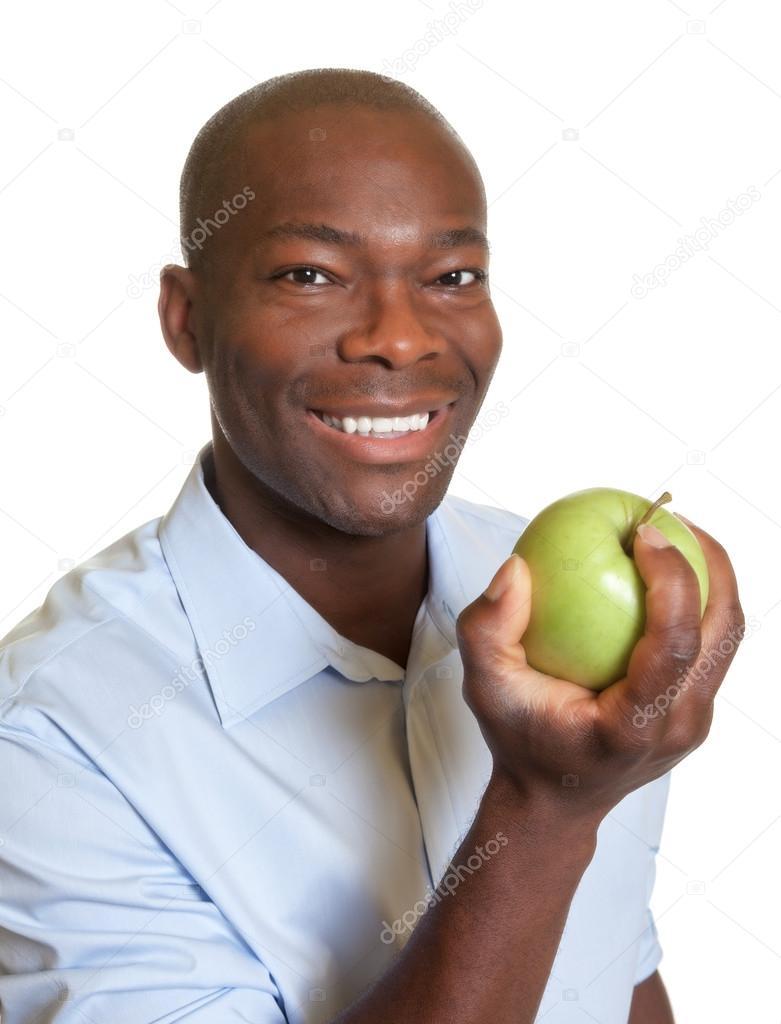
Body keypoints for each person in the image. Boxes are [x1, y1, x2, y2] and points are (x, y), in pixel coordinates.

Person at [0, 67, 745, 1023]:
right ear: (186, 320)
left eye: (452, 277)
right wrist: (549, 810)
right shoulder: (50, 743)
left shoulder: (574, 603)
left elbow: (611, 976)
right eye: (310, 275)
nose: (399, 338)